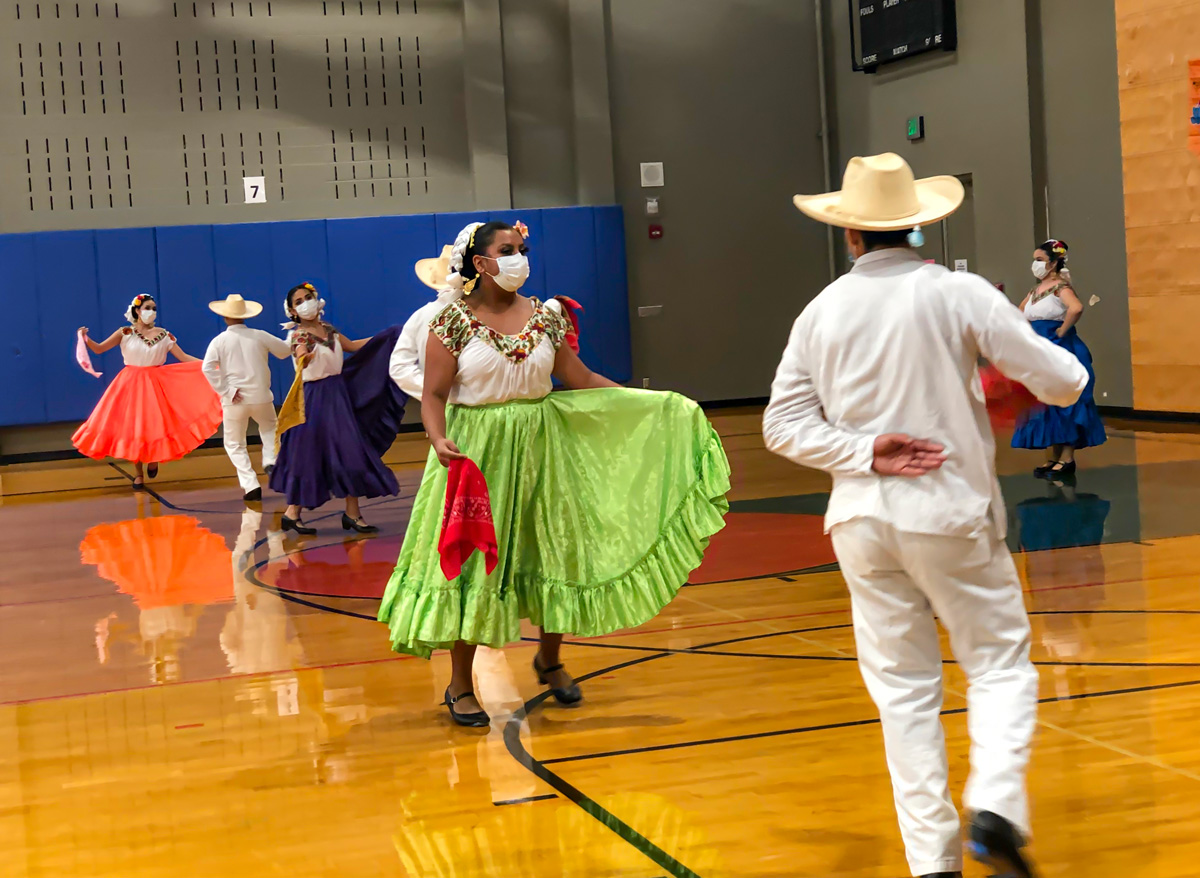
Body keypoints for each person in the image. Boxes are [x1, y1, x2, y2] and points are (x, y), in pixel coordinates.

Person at [764, 153, 1089, 878]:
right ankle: (998, 806)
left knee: (904, 694)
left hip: (858, 522)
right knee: (1000, 666)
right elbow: (1066, 383)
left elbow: (781, 426)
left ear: (849, 235)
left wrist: (863, 450)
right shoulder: (957, 292)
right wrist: (1002, 377)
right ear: (917, 224)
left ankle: (932, 865)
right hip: (949, 512)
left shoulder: (820, 312)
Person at [377, 220, 730, 728]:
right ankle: (459, 683)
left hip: (544, 446)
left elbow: (580, 378)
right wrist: (436, 437)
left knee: (553, 549)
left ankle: (549, 658)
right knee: (475, 562)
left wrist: (652, 404)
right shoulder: (449, 322)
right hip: (477, 454)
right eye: (507, 250)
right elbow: (432, 395)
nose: (519, 257)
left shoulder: (545, 317)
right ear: (480, 263)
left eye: (522, 249)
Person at [269, 283, 406, 535]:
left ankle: (352, 514)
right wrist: (303, 357)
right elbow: (300, 353)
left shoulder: (329, 329)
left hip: (338, 394)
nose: (305, 303)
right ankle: (292, 513)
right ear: (292, 310)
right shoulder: (298, 335)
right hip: (314, 400)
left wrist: (388, 338)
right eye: (298, 301)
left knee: (349, 451)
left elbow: (353, 346)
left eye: (308, 297)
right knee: (310, 455)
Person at [74, 294, 222, 489]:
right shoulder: (125, 332)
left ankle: (153, 458)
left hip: (155, 384)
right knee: (135, 428)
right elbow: (100, 349)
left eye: (154, 308)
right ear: (137, 310)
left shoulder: (164, 335)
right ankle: (138, 474)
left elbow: (184, 357)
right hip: (130, 384)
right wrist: (85, 339)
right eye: (148, 307)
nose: (151, 312)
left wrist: (210, 366)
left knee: (154, 424)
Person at [1011, 239, 1107, 477]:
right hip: (1041, 350)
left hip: (1060, 348)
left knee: (1065, 401)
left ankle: (1066, 458)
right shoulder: (1035, 290)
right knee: (1046, 403)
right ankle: (1053, 457)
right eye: (1035, 260)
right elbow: (1019, 312)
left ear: (1053, 264)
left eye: (1040, 260)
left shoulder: (1061, 287)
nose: (1035, 264)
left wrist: (1062, 332)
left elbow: (1076, 308)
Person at [201, 294, 292, 502]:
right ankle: (270, 460)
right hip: (261, 396)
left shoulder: (219, 341)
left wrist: (226, 390)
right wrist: (291, 334)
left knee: (234, 443)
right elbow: (284, 351)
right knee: (270, 429)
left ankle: (251, 485)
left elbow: (207, 367)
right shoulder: (259, 335)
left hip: (234, 401)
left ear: (225, 317)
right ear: (245, 315)